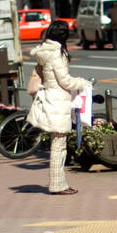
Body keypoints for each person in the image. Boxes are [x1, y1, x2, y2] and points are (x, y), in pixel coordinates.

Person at [27, 20, 90, 197]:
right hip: (58, 101)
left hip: (50, 98)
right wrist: (83, 83)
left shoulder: (45, 51)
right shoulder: (57, 54)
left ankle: (60, 183)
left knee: (58, 144)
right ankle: (57, 185)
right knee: (59, 146)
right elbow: (65, 81)